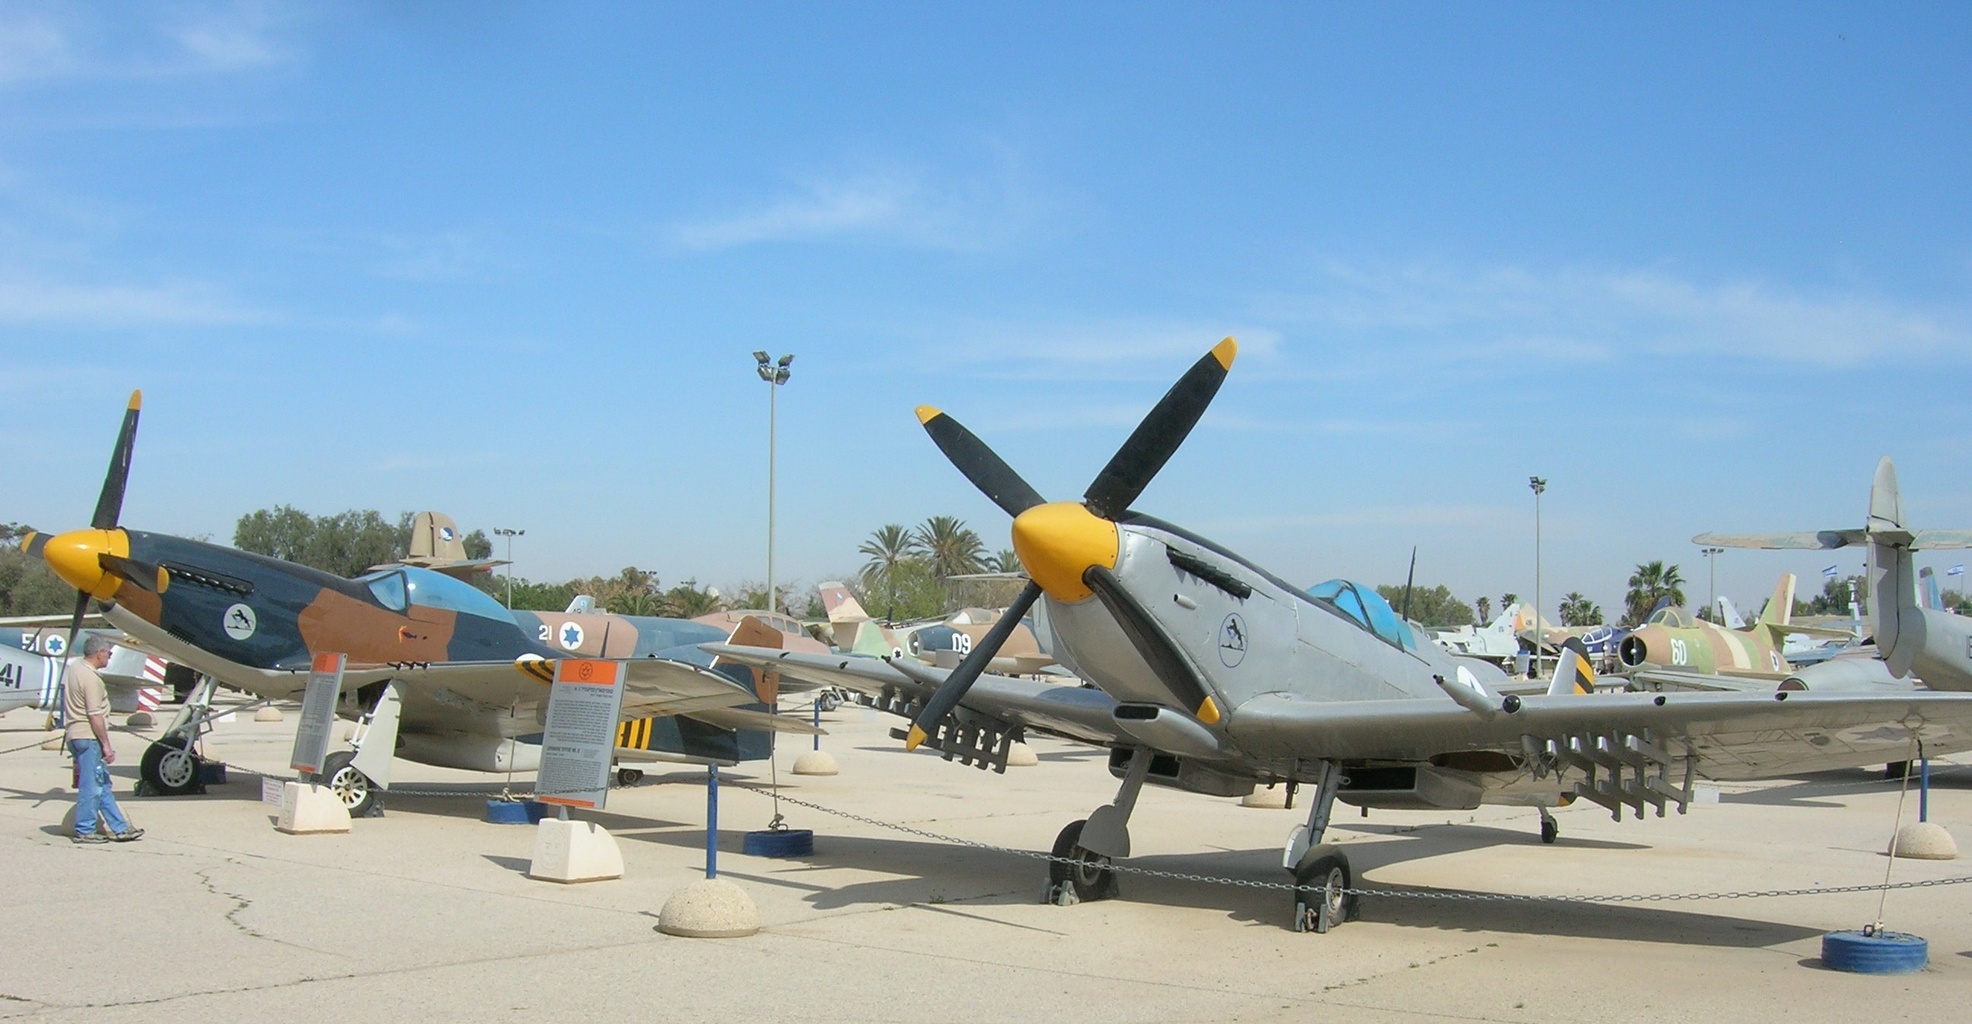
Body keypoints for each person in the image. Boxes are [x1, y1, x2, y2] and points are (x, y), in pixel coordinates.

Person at [64, 635, 142, 844]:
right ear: (99, 653)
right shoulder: (92, 679)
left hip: (74, 734)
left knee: (103, 784)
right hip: (88, 737)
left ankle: (120, 827)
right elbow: (94, 715)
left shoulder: (75, 668)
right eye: (108, 652)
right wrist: (106, 746)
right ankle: (85, 830)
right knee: (92, 787)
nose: (109, 656)